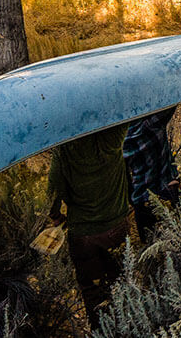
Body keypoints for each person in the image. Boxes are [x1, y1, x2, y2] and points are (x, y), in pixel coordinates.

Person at [47, 125, 130, 328]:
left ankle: (101, 331)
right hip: (116, 224)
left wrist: (57, 217)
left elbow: (52, 195)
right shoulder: (112, 134)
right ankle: (128, 327)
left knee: (93, 293)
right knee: (122, 284)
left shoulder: (63, 148)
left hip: (83, 235)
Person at [123, 106, 180, 243]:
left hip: (141, 202)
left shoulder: (120, 137)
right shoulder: (149, 125)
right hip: (166, 190)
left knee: (154, 251)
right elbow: (173, 98)